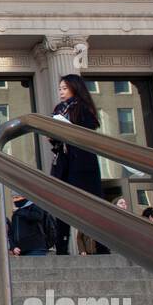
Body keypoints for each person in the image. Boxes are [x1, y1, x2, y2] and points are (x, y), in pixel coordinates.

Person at [50, 75, 109, 255]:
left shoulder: (83, 108)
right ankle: (61, 247)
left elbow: (89, 130)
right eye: (60, 88)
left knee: (91, 205)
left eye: (64, 88)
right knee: (61, 204)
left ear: (75, 88)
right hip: (63, 161)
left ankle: (101, 246)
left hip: (82, 161)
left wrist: (69, 127)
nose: (61, 92)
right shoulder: (59, 109)